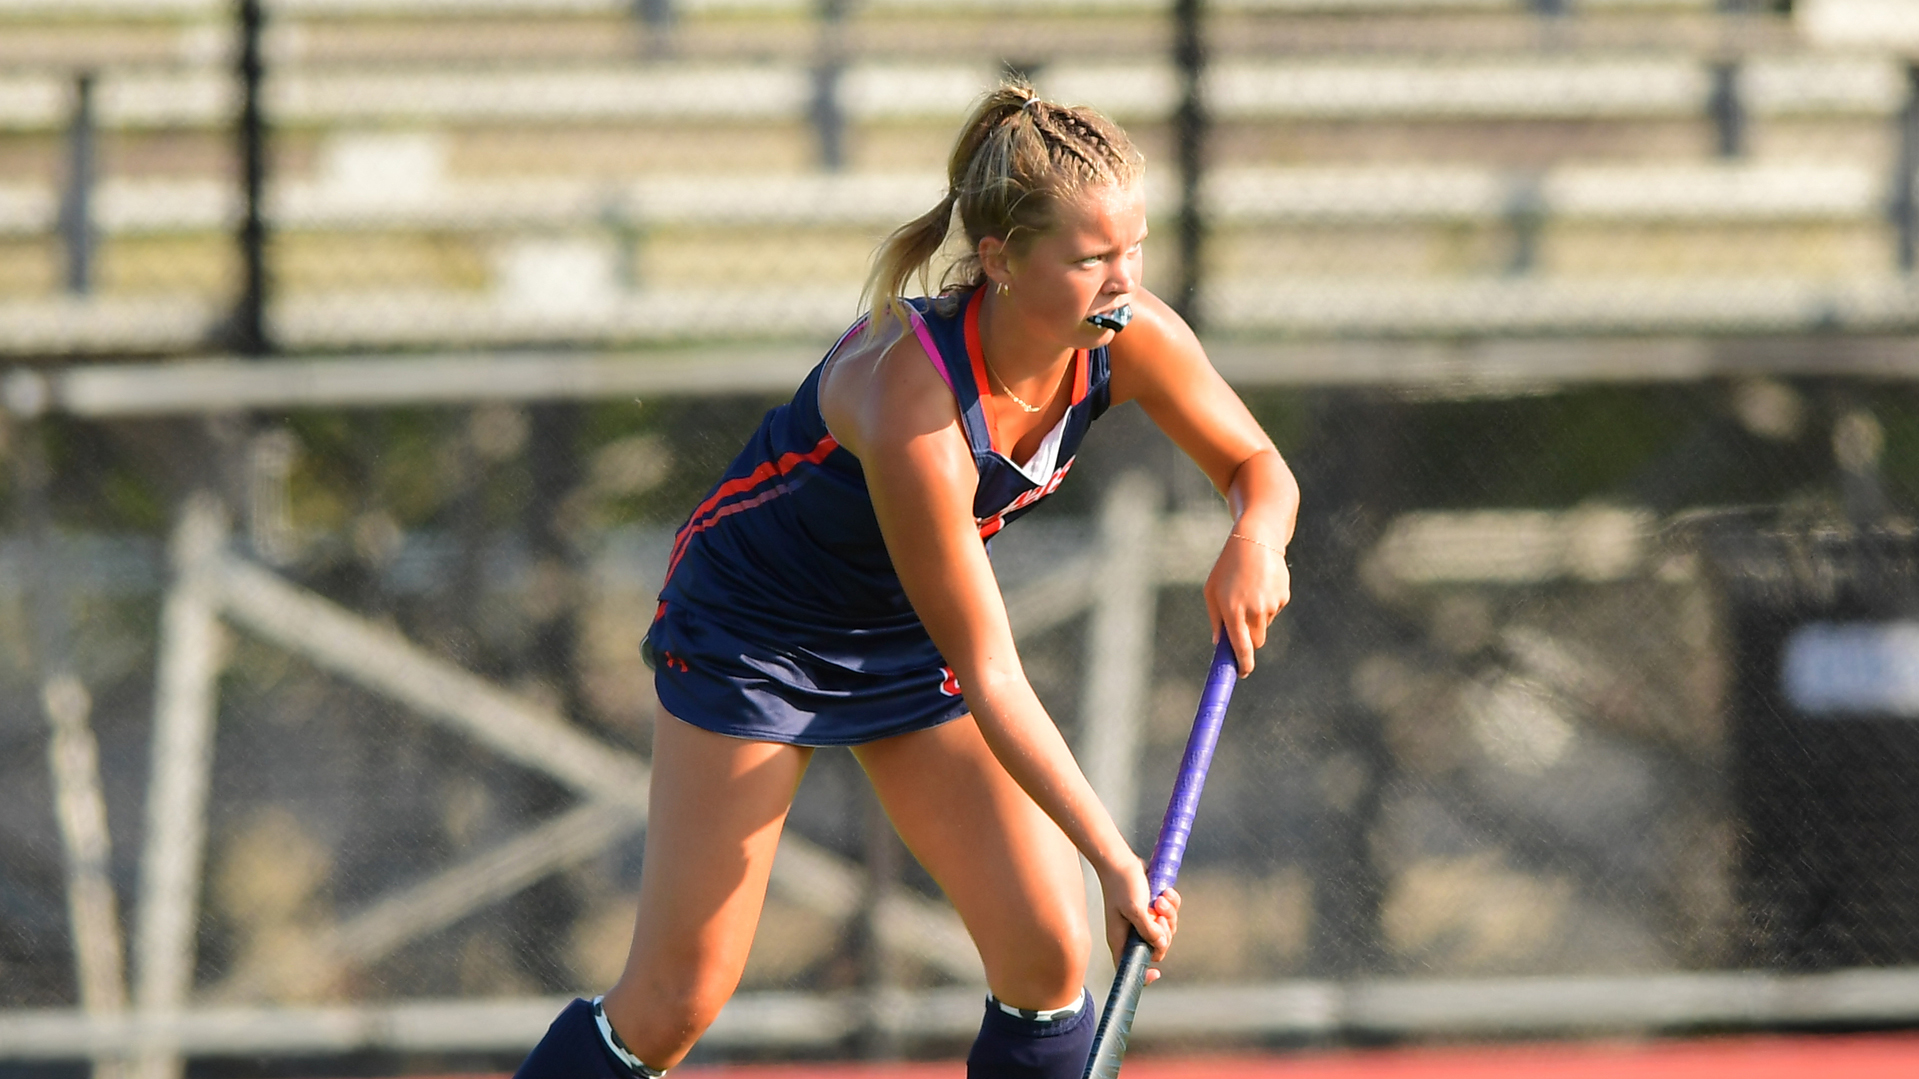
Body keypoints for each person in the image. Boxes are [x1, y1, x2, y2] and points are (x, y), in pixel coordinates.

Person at [512, 79, 1297, 1079]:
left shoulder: (1125, 336)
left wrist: (1254, 539)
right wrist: (1113, 857)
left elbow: (1256, 468)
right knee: (674, 1000)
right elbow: (991, 671)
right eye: (1091, 257)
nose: (1122, 281)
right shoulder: (913, 403)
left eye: (1132, 248)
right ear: (1002, 259)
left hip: (903, 626)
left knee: (1047, 956)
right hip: (756, 635)